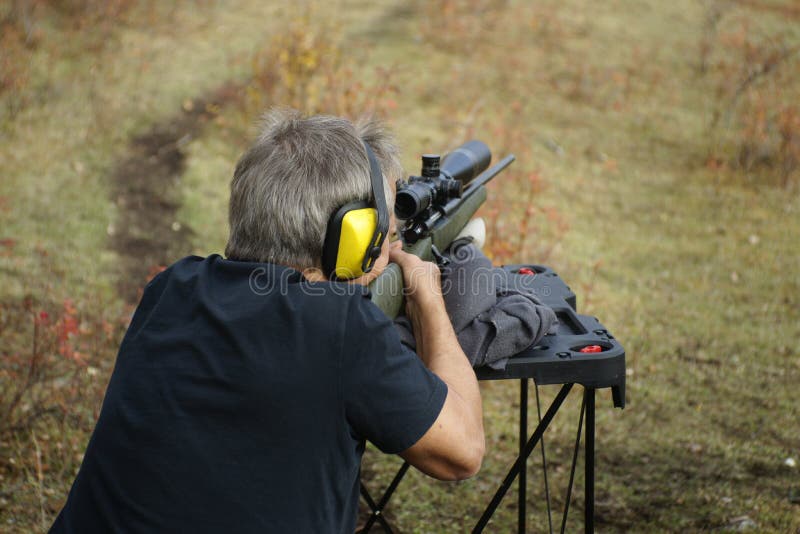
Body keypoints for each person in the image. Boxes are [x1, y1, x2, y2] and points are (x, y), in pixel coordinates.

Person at [51, 109, 485, 533]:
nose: (388, 250)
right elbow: (462, 451)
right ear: (352, 240)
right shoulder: (341, 326)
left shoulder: (171, 289)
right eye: (384, 237)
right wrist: (427, 297)